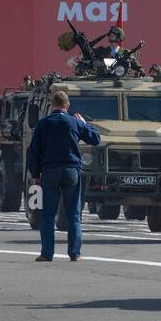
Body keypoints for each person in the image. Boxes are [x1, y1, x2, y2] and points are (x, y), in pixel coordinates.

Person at [28, 89, 102, 262]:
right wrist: (85, 123)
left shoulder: (43, 123)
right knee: (74, 214)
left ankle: (46, 254)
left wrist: (35, 174)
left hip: (49, 172)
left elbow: (34, 152)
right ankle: (75, 253)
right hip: (71, 171)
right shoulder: (75, 123)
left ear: (52, 105)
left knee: (47, 214)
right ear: (67, 105)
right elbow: (95, 139)